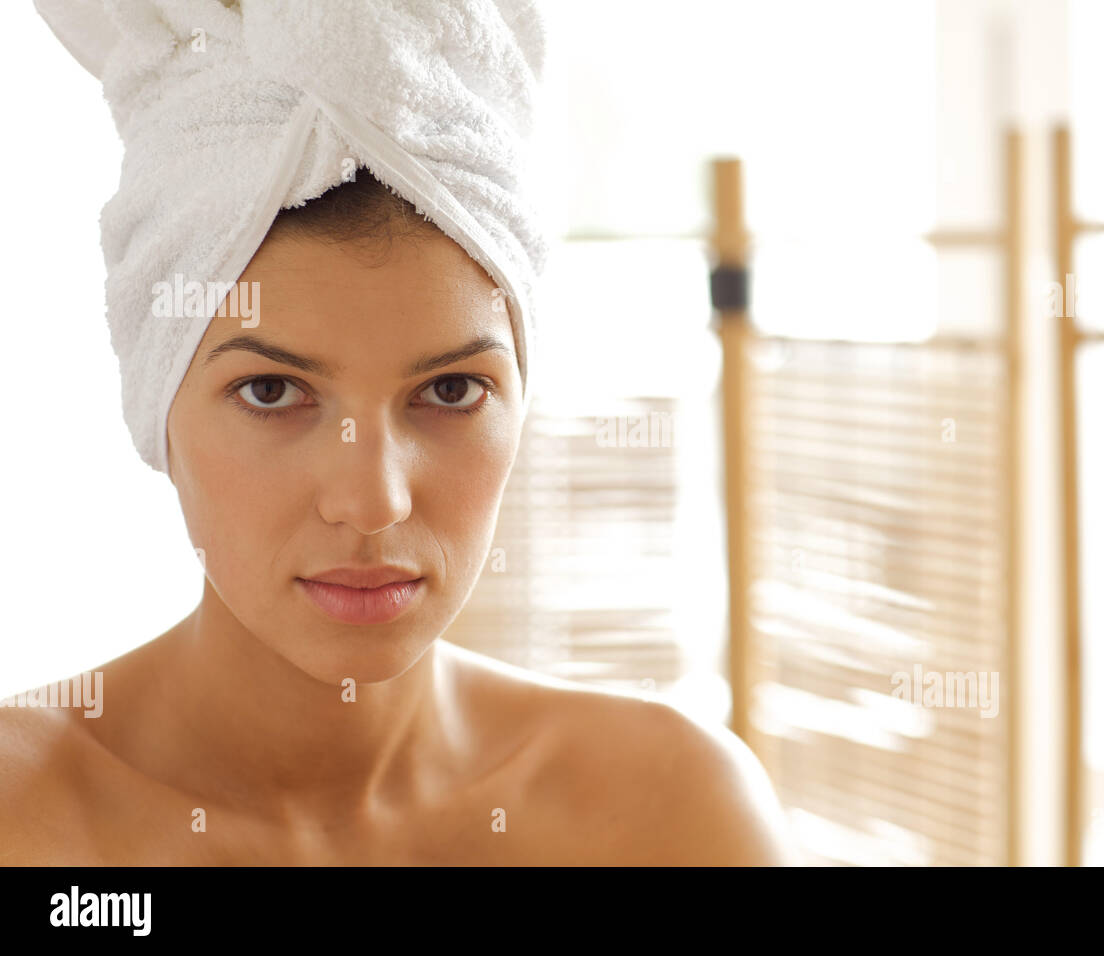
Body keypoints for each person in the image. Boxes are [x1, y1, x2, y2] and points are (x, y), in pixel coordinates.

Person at [0, 169, 800, 866]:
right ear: (155, 408)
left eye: (450, 390)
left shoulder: (672, 811)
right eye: (272, 392)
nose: (374, 500)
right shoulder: (21, 820)